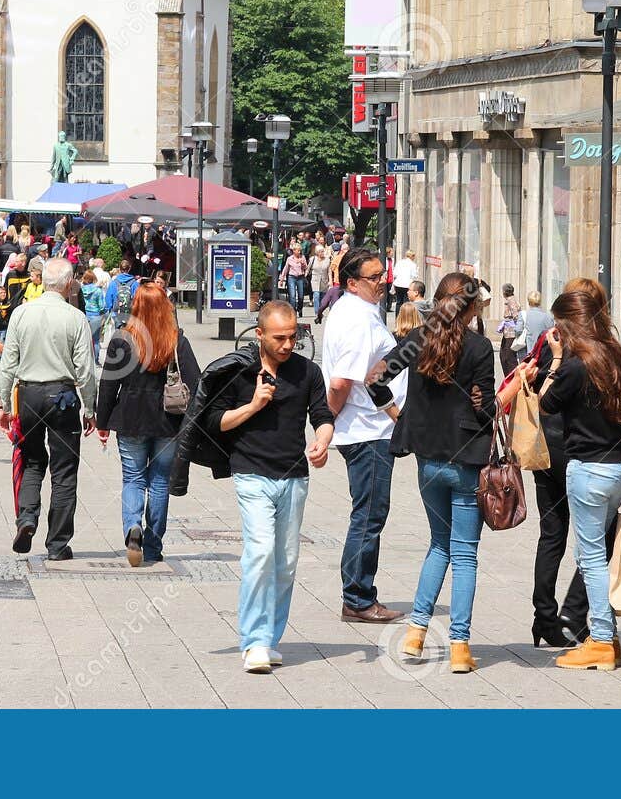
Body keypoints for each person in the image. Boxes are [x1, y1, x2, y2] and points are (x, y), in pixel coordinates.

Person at [195, 301, 335, 672]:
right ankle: (254, 641)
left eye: (293, 336)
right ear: (259, 335)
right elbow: (214, 422)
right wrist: (253, 406)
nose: (288, 344)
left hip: (294, 477)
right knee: (260, 554)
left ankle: (270, 639)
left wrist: (322, 441)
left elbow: (322, 416)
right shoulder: (239, 372)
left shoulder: (308, 371)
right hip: (251, 473)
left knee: (285, 563)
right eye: (279, 338)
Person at [531, 286, 621, 671]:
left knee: (592, 558)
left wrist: (554, 359)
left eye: (559, 324)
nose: (557, 332)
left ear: (571, 324)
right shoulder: (617, 357)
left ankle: (599, 639)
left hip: (589, 468)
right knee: (601, 553)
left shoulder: (575, 364)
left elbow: (544, 404)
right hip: (619, 468)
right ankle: (608, 636)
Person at [375, 274, 490, 672]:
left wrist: (399, 416)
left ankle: (416, 633)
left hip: (428, 458)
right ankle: (459, 645)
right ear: (470, 308)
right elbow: (486, 410)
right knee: (465, 553)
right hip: (466, 457)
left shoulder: (417, 340)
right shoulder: (479, 347)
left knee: (439, 545)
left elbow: (376, 380)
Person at [321, 247, 403, 624]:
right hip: (367, 430)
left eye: (383, 275)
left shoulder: (355, 310)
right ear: (352, 283)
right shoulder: (357, 319)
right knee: (369, 515)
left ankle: (358, 594)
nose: (382, 282)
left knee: (368, 512)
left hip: (368, 427)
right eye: (374, 277)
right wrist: (328, 422)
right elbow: (341, 382)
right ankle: (357, 598)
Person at [0, 258, 97, 560]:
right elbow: (85, 370)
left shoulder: (22, 313)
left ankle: (27, 517)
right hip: (62, 396)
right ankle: (57, 544)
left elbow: (8, 363)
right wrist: (90, 408)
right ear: (69, 284)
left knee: (31, 460)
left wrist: (3, 403)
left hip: (28, 395)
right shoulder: (76, 318)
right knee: (64, 470)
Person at [95, 283, 201, 567]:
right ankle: (153, 546)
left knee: (133, 478)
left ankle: (133, 527)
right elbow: (196, 382)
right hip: (169, 421)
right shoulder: (177, 341)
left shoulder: (122, 339)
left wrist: (103, 422)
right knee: (159, 480)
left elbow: (108, 384)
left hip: (130, 418)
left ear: (135, 306)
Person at [496, 283, 522, 377]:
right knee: (503, 355)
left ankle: (512, 377)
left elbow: (516, 316)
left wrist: (510, 322)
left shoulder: (511, 301)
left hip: (511, 333)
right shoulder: (509, 300)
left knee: (509, 357)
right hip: (507, 332)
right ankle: (508, 376)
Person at [79, 264, 106, 353]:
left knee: (84, 340)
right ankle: (96, 358)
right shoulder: (98, 291)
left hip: (84, 315)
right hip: (95, 316)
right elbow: (102, 306)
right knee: (96, 340)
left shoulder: (81, 289)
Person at [280, 243, 310, 315]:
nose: (299, 252)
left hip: (300, 277)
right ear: (294, 251)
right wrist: (282, 279)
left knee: (301, 296)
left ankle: (300, 308)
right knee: (292, 296)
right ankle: (293, 311)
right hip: (292, 277)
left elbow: (306, 268)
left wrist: (302, 263)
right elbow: (286, 269)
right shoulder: (289, 259)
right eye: (298, 250)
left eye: (300, 250)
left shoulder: (302, 257)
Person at [390, 249, 418, 315]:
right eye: (414, 256)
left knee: (399, 302)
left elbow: (395, 273)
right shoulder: (413, 265)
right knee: (406, 303)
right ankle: (405, 318)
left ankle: (398, 318)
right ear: (412, 256)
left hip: (398, 284)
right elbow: (414, 276)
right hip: (407, 285)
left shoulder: (399, 262)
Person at [309, 244, 333, 319]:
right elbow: (308, 268)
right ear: (317, 252)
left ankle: (320, 311)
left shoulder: (327, 260)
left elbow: (329, 271)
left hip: (324, 281)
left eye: (323, 251)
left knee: (322, 299)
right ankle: (317, 313)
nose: (323, 253)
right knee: (316, 295)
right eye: (321, 251)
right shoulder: (312, 259)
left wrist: (330, 281)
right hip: (315, 280)